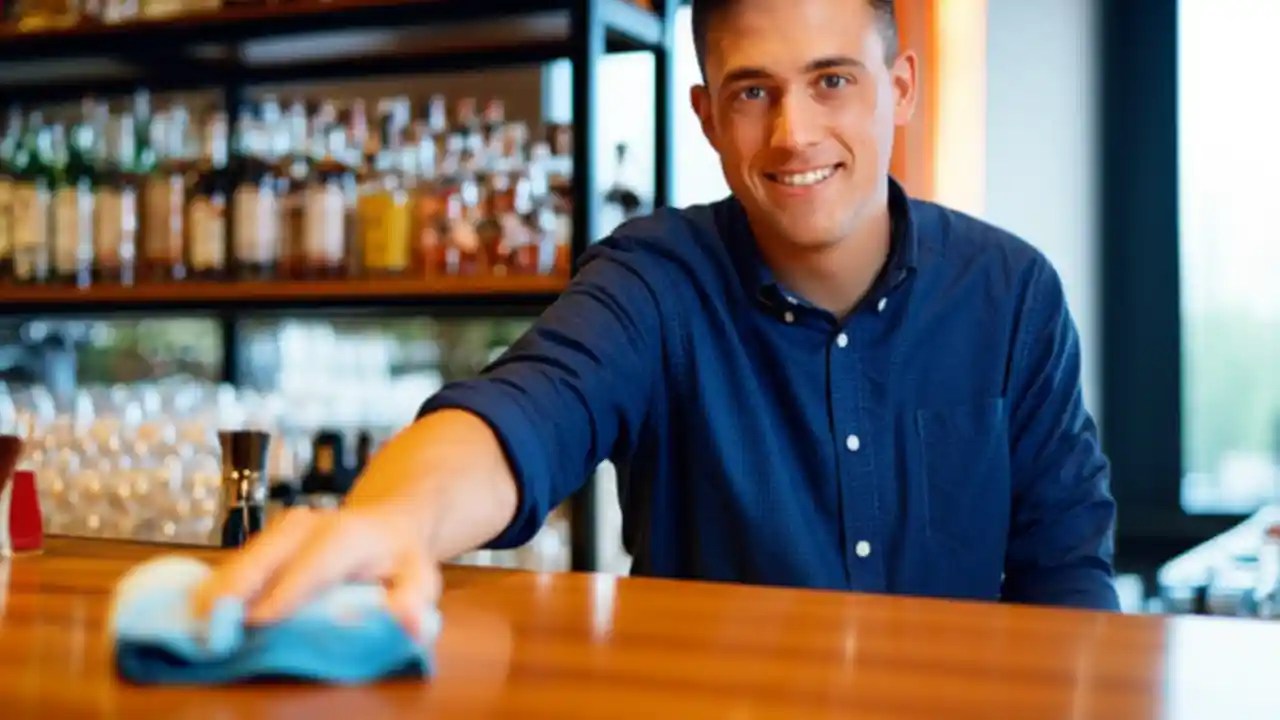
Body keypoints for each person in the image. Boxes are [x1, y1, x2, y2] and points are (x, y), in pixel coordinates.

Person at [196, 0, 1120, 635]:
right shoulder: (657, 278)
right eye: (754, 91)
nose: (793, 132)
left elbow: (1067, 580)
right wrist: (393, 521)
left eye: (832, 80)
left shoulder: (1012, 297)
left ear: (902, 88)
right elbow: (527, 410)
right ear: (709, 116)